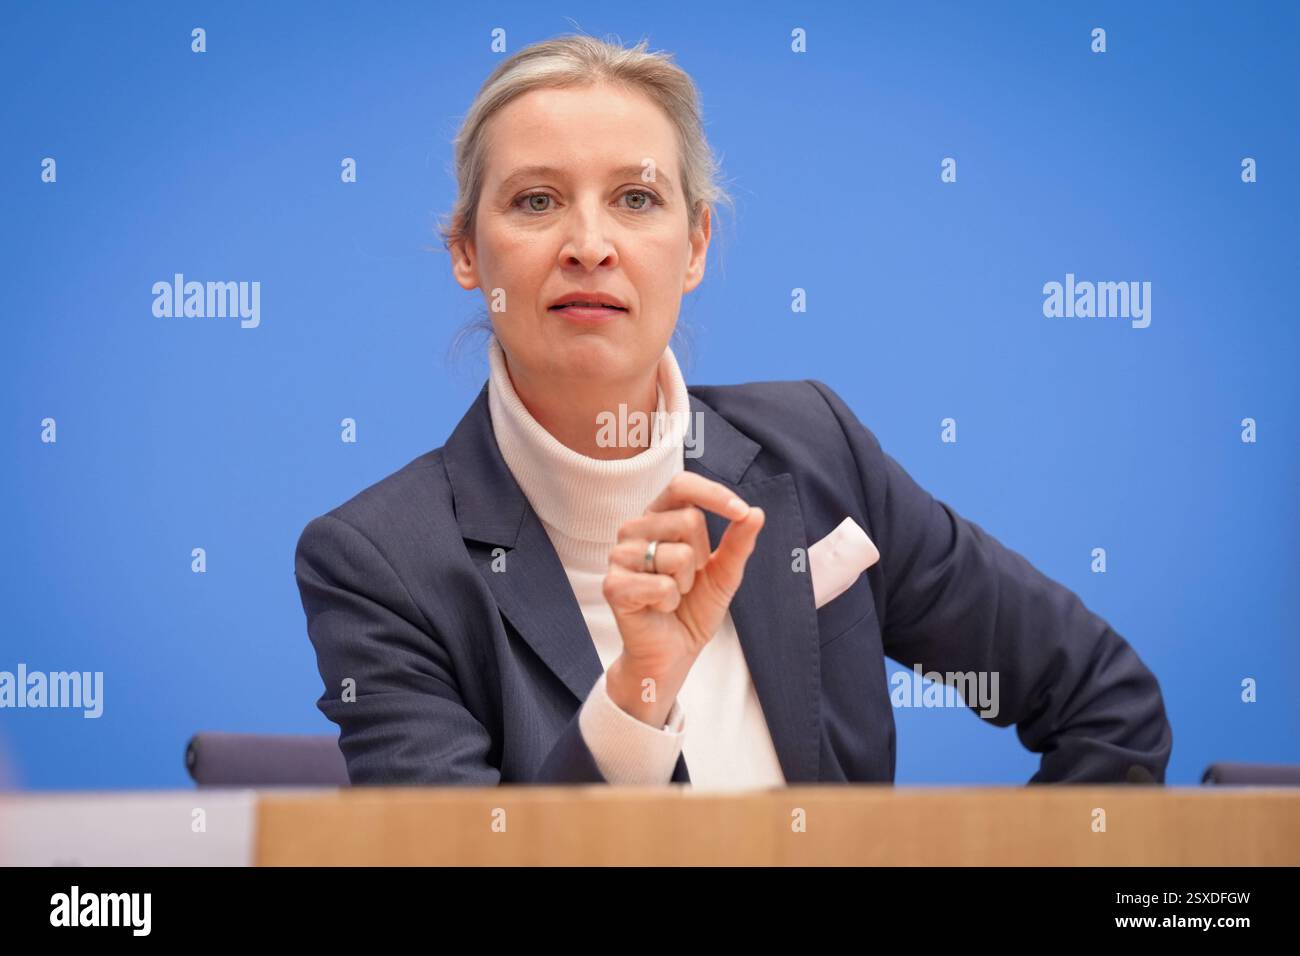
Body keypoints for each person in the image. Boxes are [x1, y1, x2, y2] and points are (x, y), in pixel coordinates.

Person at [294, 34, 1172, 788]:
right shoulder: (379, 564)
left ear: (696, 247)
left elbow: (1107, 706)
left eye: (636, 199)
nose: (590, 245)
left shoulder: (816, 450)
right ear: (465, 252)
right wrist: (636, 696)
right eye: (536, 201)